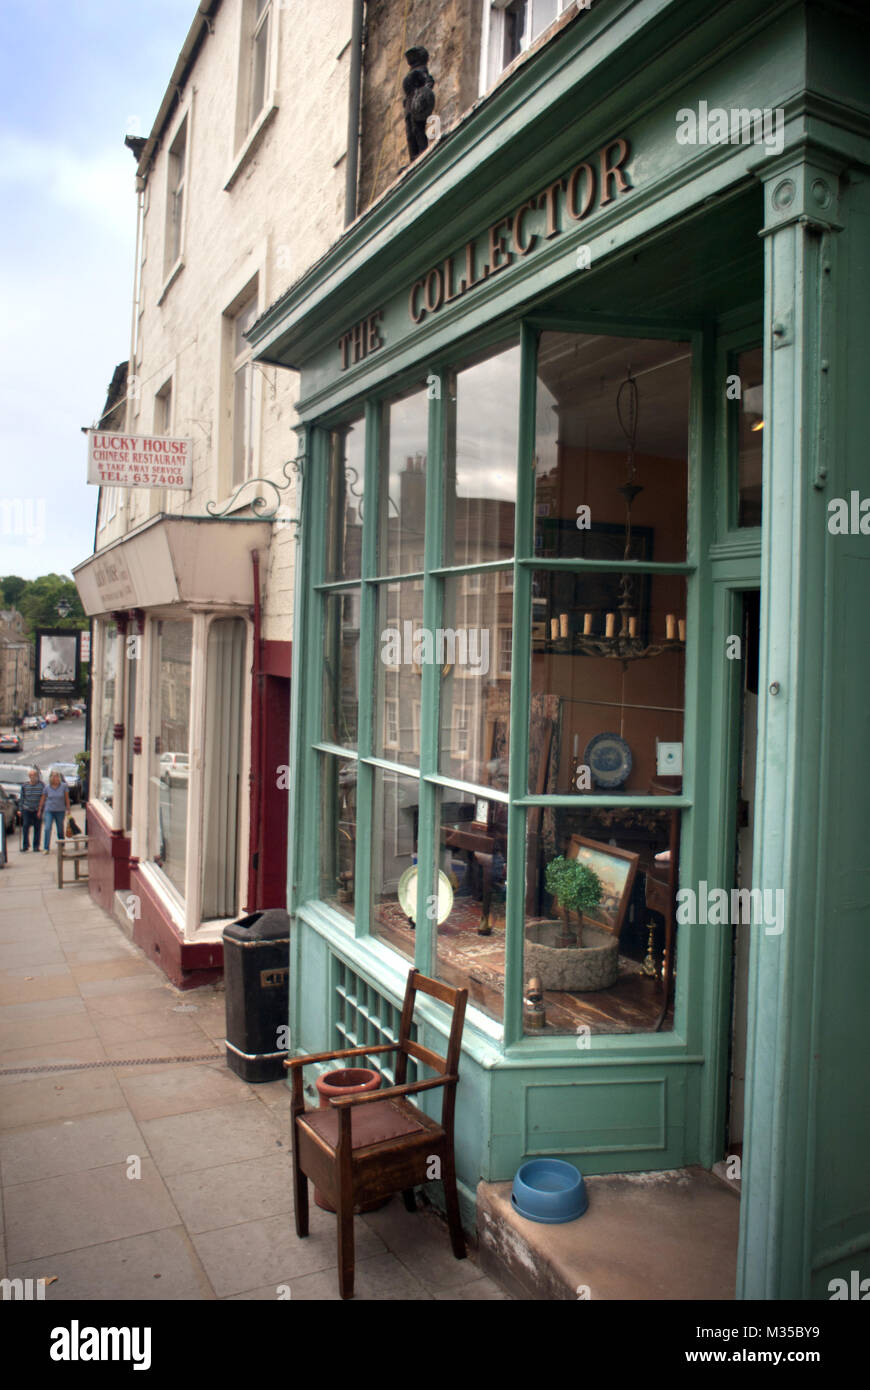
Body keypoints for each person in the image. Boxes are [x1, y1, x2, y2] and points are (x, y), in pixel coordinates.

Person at [38, 770, 70, 854]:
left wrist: (68, 809)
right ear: (51, 778)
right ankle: (46, 848)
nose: (56, 778)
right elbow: (43, 798)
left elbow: (66, 798)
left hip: (60, 810)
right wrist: (40, 809)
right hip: (49, 810)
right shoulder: (47, 787)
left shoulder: (64, 786)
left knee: (60, 828)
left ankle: (61, 845)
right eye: (54, 776)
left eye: (57, 776)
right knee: (47, 828)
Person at [19, 767, 45, 852]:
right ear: (29, 777)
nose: (33, 777)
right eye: (31, 776)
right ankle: (25, 845)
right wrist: (20, 809)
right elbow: (22, 798)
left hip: (37, 809)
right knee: (25, 826)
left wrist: (41, 810)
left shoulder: (41, 785)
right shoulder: (25, 786)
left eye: (34, 775)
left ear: (37, 776)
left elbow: (44, 797)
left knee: (37, 827)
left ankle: (36, 846)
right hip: (27, 809)